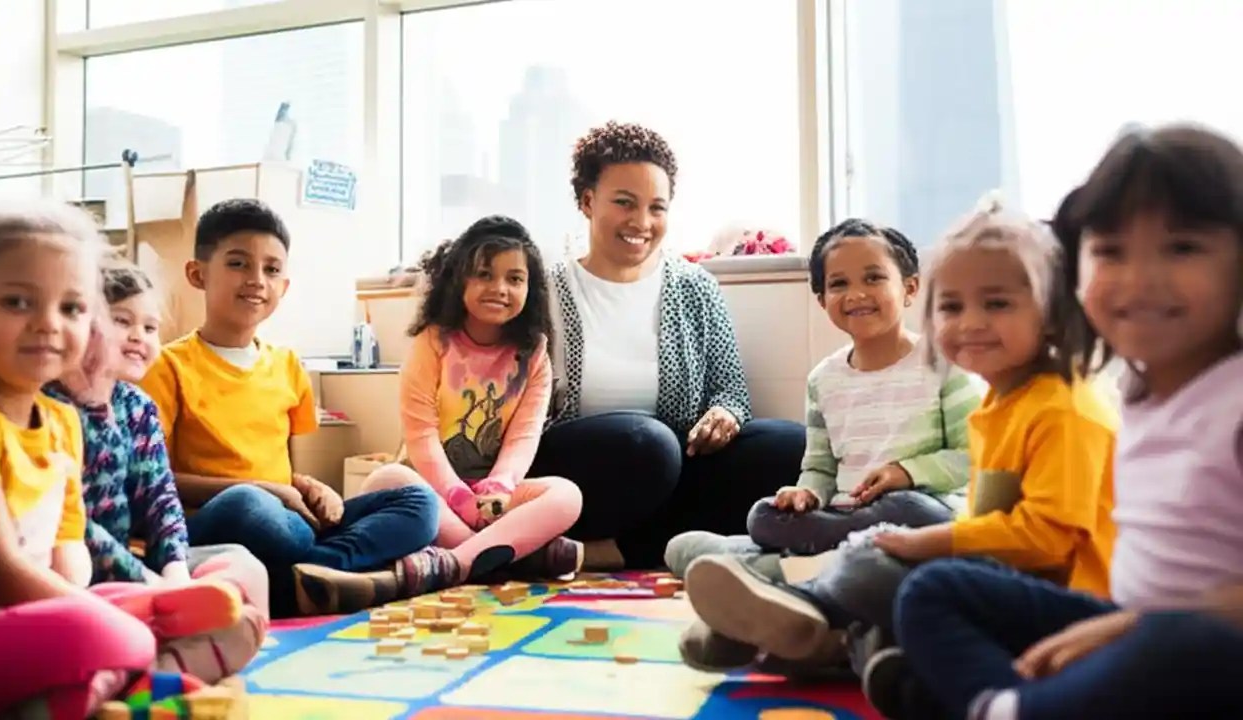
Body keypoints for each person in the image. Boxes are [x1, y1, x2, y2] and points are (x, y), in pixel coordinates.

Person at [680, 192, 1117, 711]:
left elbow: (1042, 542)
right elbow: (990, 515)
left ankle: (791, 612)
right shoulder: (1000, 403)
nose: (969, 322)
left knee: (887, 567)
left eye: (996, 303)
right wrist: (815, 499)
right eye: (952, 306)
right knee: (858, 556)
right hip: (965, 556)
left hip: (1068, 599)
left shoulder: (1064, 409)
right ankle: (835, 636)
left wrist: (924, 540)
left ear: (1052, 311)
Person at [891, 124, 1243, 720]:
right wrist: (1116, 630)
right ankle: (1007, 703)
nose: (1139, 278)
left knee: (1181, 645)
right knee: (933, 591)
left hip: (1200, 642)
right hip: (1122, 625)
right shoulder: (1138, 391)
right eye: (1110, 252)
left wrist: (1134, 630)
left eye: (1181, 248)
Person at [667, 218, 983, 673]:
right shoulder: (823, 380)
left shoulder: (944, 365)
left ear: (910, 287)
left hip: (921, 520)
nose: (856, 293)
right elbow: (819, 467)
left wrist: (906, 473)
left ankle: (779, 584)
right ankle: (806, 577)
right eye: (839, 283)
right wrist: (805, 495)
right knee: (763, 517)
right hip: (841, 518)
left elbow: (973, 458)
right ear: (822, 300)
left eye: (874, 277)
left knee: (912, 509)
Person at [0, 205, 236, 719]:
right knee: (113, 633)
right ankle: (131, 672)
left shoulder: (61, 424)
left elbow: (69, 555)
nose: (47, 323)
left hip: (31, 611)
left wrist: (113, 598)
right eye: (17, 302)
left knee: (128, 611)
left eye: (70, 308)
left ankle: (105, 678)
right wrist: (113, 614)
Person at [138, 199, 449, 617]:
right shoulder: (167, 366)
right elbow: (157, 483)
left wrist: (310, 487)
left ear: (284, 287)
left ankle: (306, 576)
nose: (256, 280)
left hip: (287, 519)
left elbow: (285, 465)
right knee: (249, 505)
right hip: (217, 521)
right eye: (238, 264)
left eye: (271, 270)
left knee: (419, 503)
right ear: (198, 274)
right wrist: (270, 491)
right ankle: (334, 571)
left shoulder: (286, 365)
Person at [526, 120, 805, 569]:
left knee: (790, 447)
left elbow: (731, 389)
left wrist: (724, 415)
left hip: (677, 465)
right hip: (580, 473)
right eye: (624, 203)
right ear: (587, 201)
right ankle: (650, 541)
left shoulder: (695, 287)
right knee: (648, 445)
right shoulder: (544, 290)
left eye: (657, 207)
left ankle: (606, 553)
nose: (642, 222)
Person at [45, 261, 268, 683]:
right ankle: (146, 668)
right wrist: (148, 580)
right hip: (75, 568)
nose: (138, 337)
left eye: (150, 328)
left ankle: (183, 656)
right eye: (122, 321)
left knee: (244, 565)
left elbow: (160, 499)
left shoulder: (137, 406)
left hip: (139, 565)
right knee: (98, 620)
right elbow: (73, 524)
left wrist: (176, 573)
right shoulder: (52, 408)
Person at [359, 216, 584, 581]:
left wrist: (498, 487)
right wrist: (455, 496)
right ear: (458, 280)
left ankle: (455, 563)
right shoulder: (432, 342)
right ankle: (509, 558)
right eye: (484, 274)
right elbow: (421, 436)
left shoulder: (534, 352)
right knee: (385, 480)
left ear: (531, 289)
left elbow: (524, 435)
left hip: (496, 496)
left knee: (567, 495)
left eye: (514, 279)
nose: (499, 288)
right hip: (430, 489)